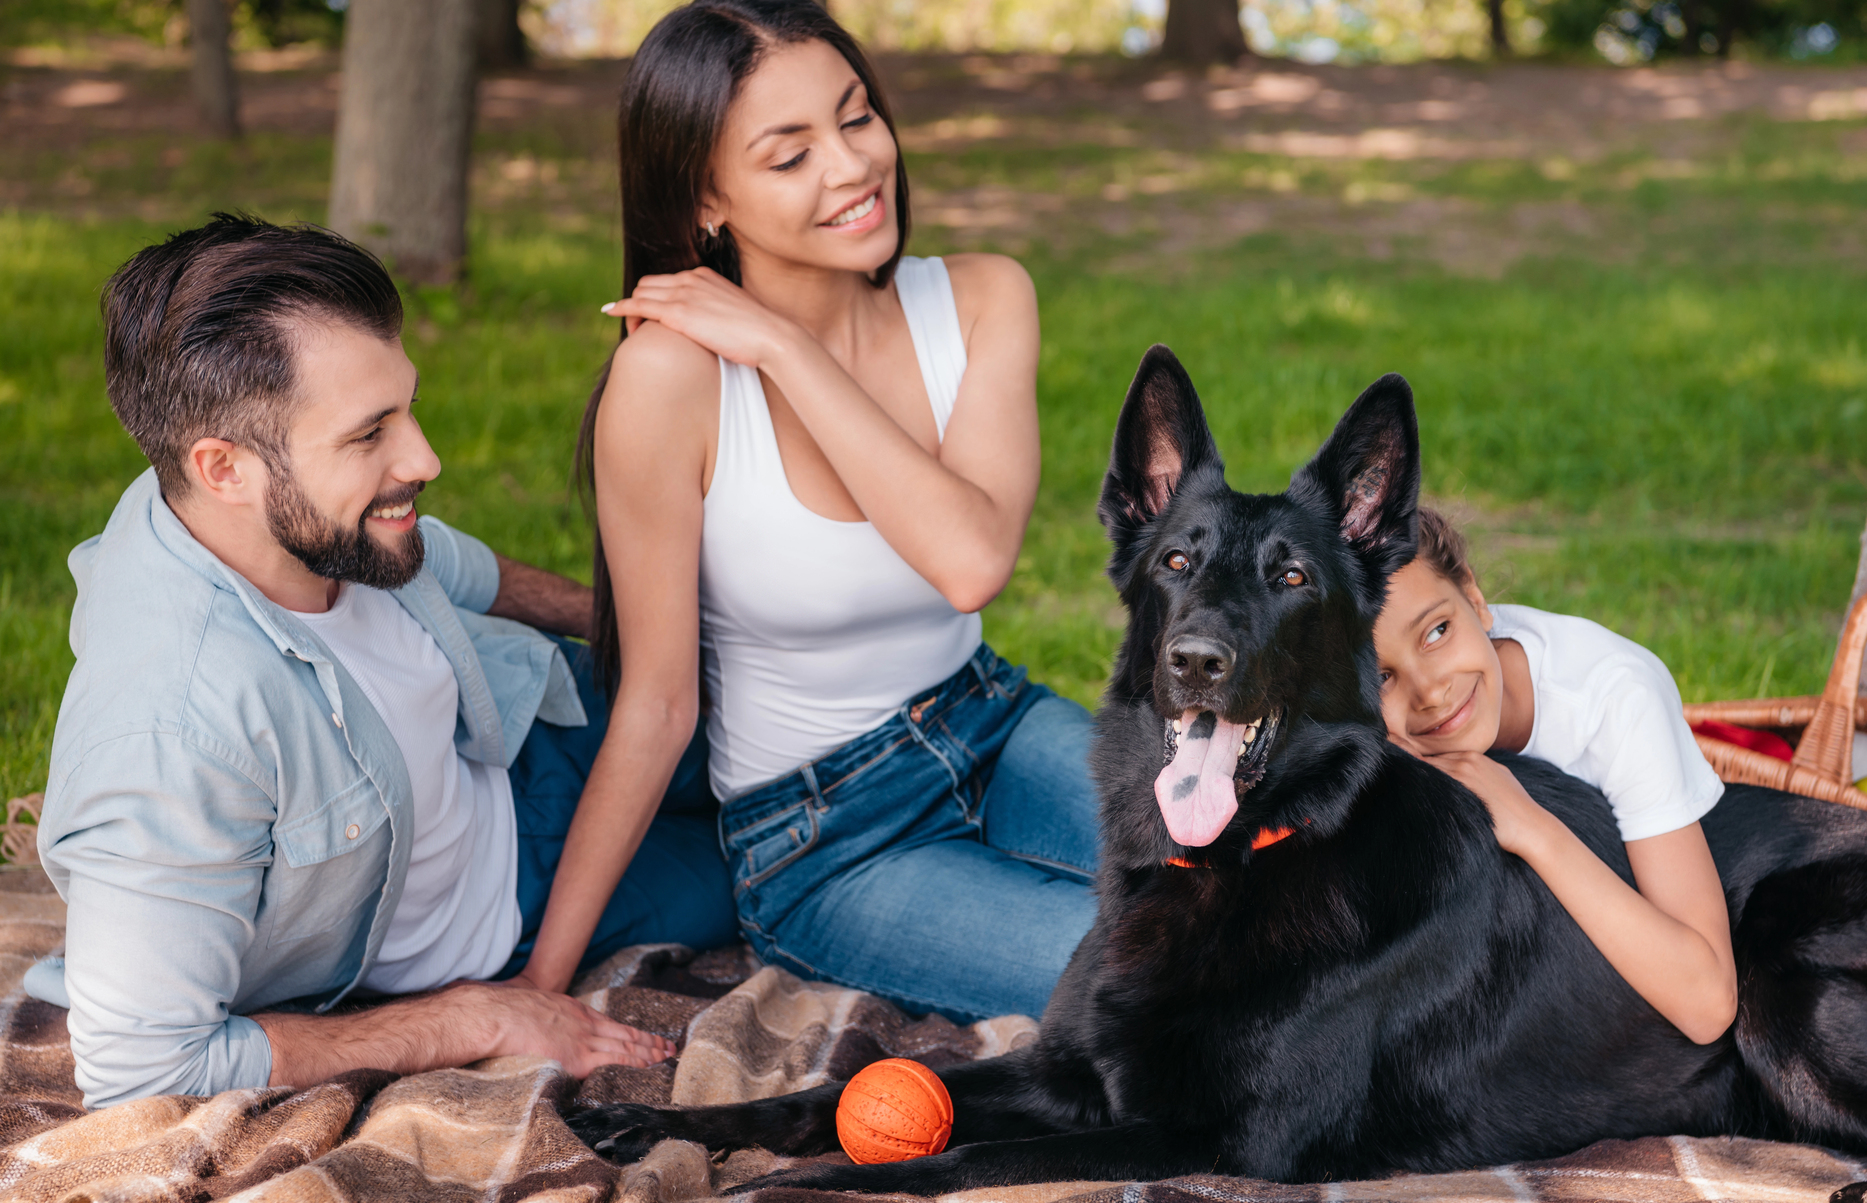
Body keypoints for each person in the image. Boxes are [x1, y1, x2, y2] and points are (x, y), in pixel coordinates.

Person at [29, 215, 739, 1108]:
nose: (426, 456)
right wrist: (474, 1019)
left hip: (522, 727)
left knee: (802, 714)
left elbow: (445, 558)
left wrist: (636, 627)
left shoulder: (264, 509)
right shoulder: (170, 737)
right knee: (798, 856)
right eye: (371, 435)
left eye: (406, 407)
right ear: (224, 469)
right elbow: (143, 1068)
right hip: (509, 908)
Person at [513, 0, 1099, 1022]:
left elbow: (970, 555)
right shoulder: (667, 382)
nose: (851, 167)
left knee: (1288, 869)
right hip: (827, 839)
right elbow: (655, 704)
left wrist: (784, 345)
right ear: (707, 198)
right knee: (1162, 979)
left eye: (856, 116)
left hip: (988, 721)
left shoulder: (981, 299)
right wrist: (536, 990)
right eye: (789, 156)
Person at [1371, 508, 1738, 1045]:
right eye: (1380, 676)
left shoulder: (1614, 700)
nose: (1429, 691)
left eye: (1438, 631)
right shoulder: (1385, 732)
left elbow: (1709, 1003)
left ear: (1475, 600)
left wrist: (1529, 825)